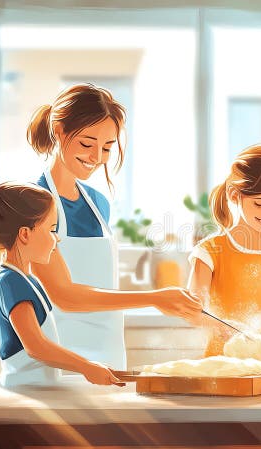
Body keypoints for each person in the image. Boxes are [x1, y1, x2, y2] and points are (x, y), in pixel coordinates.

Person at [26, 84, 201, 370]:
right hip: (59, 359)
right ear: (59, 130)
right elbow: (63, 295)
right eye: (86, 143)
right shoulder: (34, 203)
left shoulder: (98, 204)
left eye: (107, 147)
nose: (96, 157)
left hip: (109, 355)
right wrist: (155, 298)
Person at [0, 176, 123, 387]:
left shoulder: (25, 279)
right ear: (25, 234)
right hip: (24, 393)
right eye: (52, 229)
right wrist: (86, 366)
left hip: (36, 390)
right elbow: (36, 346)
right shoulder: (11, 283)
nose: (57, 238)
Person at [187, 145, 261, 361]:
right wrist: (223, 326)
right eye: (260, 203)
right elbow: (193, 311)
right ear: (235, 196)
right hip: (219, 367)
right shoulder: (209, 252)